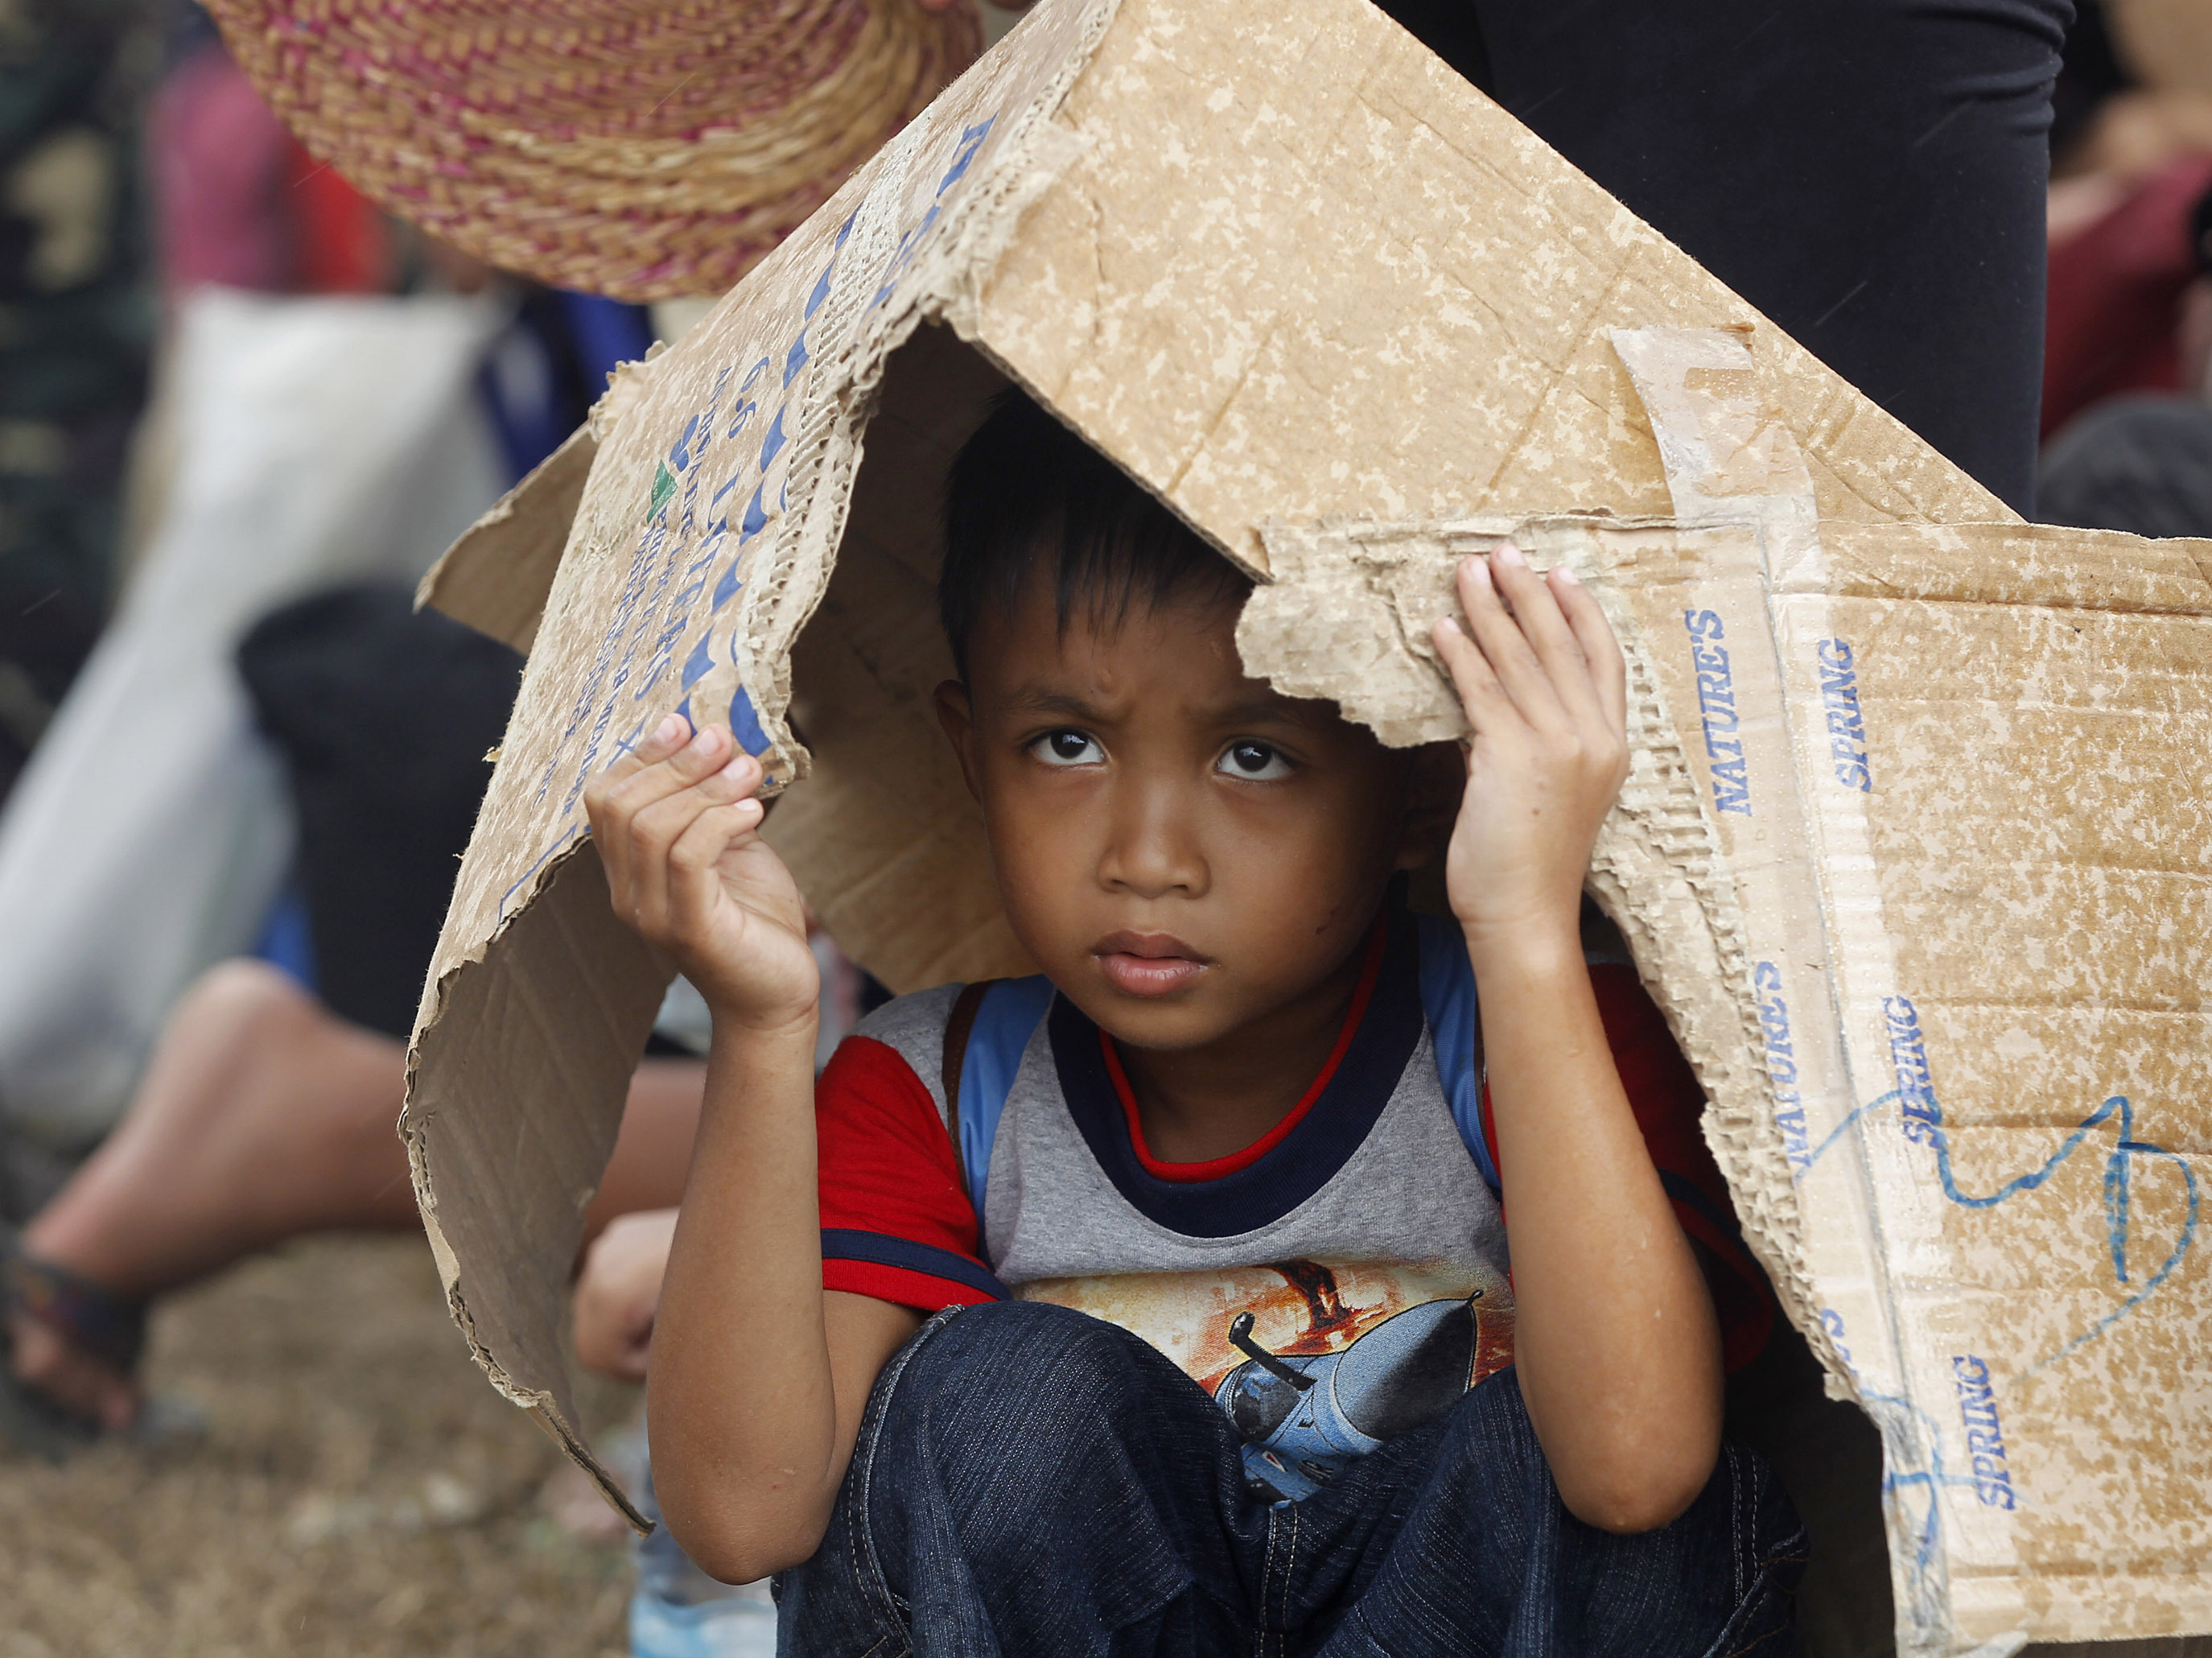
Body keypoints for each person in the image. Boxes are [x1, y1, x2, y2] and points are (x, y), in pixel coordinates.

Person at [581, 394, 1801, 1656]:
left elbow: (1632, 1480)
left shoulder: (1543, 1035)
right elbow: (740, 1520)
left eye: (1254, 757)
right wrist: (763, 1022)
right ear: (969, 751)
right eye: (1065, 743)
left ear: (1418, 782)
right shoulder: (936, 1092)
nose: (1147, 857)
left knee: (1535, 1461)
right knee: (989, 1398)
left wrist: (1523, 923)